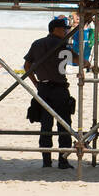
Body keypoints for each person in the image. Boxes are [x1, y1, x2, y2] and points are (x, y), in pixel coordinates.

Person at [24, 16, 80, 169]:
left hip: (43, 88)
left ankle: (46, 161)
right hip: (60, 89)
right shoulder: (63, 45)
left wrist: (36, 83)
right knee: (64, 125)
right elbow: (78, 60)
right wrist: (87, 64)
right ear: (56, 29)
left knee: (45, 126)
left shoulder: (37, 44)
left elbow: (27, 66)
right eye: (64, 29)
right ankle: (63, 160)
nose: (66, 32)